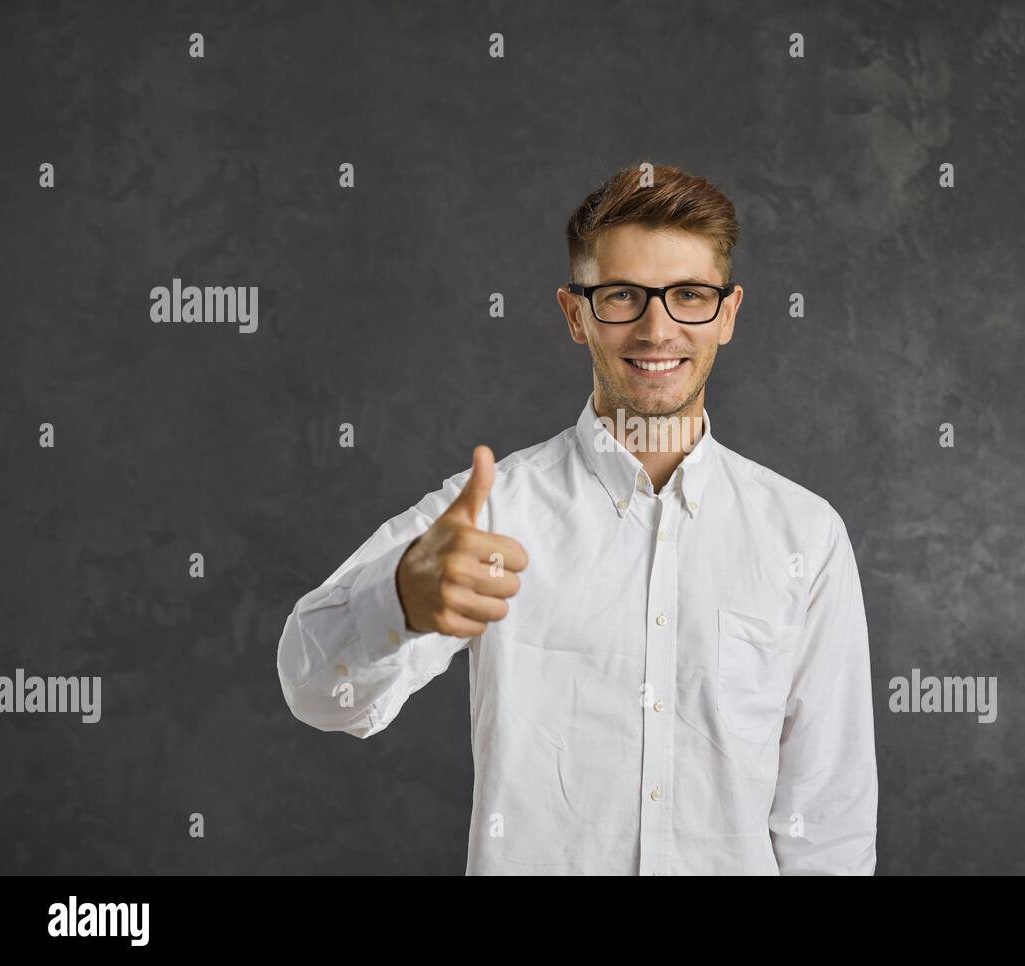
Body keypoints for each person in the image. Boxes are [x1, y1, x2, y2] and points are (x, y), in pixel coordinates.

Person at [276, 161, 878, 875]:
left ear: (727, 313)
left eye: (688, 295)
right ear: (575, 313)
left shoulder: (804, 536)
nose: (657, 329)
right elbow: (314, 689)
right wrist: (399, 598)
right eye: (622, 295)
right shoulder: (492, 512)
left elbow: (829, 824)